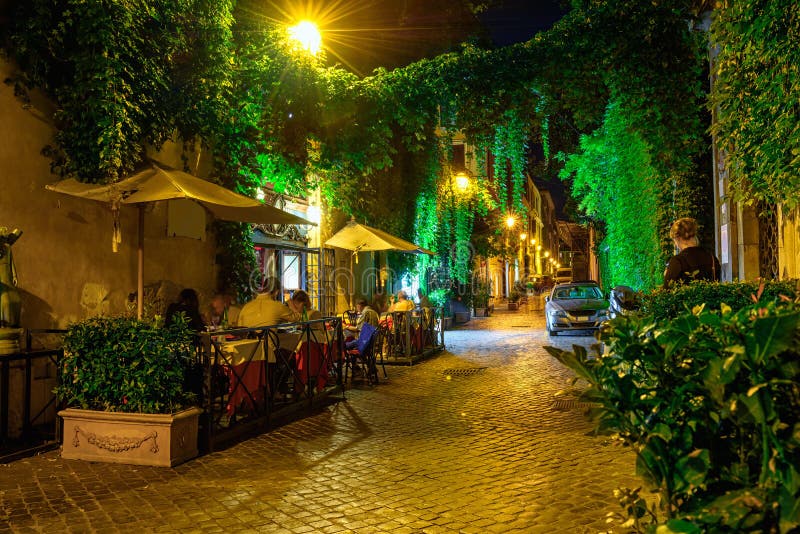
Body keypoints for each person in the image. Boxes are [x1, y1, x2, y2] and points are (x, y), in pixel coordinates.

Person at [663, 217, 721, 289]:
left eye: (674, 241)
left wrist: (667, 275)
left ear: (677, 238)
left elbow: (667, 291)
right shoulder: (711, 258)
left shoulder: (677, 261)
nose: (675, 244)